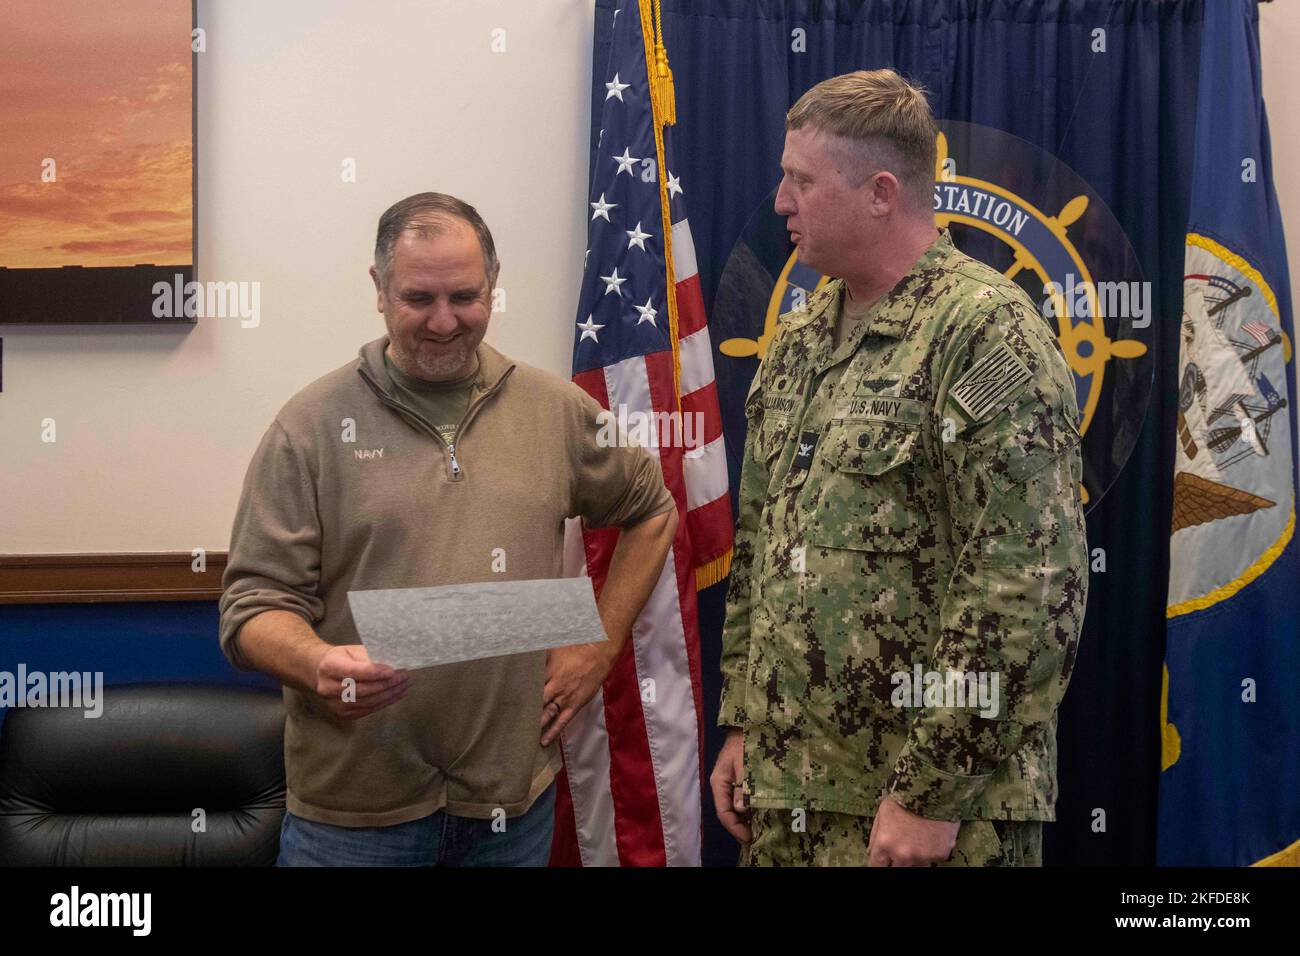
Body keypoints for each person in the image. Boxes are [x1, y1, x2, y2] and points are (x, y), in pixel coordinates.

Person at [219, 192, 678, 866]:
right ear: (378, 290)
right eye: (418, 299)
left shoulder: (551, 408)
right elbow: (251, 610)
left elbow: (653, 510)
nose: (443, 322)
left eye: (465, 296)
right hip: (352, 818)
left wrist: (597, 648)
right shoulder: (310, 425)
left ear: (493, 285)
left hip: (508, 810)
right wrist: (318, 663)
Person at [709, 70, 1088, 866]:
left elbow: (1027, 584)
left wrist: (931, 792)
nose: (780, 200)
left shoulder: (984, 334)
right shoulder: (802, 339)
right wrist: (744, 719)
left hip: (925, 820)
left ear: (881, 192)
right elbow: (760, 543)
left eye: (800, 181)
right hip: (790, 798)